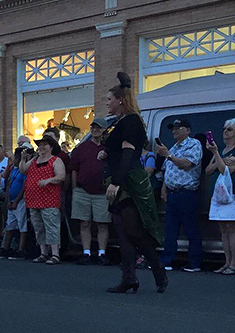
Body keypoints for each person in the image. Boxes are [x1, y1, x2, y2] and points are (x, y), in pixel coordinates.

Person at [99, 72, 166, 294]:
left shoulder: (132, 121)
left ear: (120, 100)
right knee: (123, 232)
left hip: (129, 181)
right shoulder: (120, 122)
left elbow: (129, 155)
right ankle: (129, 277)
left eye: (109, 99)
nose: (107, 103)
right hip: (119, 178)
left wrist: (116, 182)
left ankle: (158, 271)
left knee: (134, 231)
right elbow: (119, 150)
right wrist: (106, 154)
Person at [156, 116, 204, 272]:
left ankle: (194, 262)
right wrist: (164, 187)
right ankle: (166, 260)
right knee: (170, 230)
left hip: (187, 193)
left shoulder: (193, 144)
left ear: (188, 130)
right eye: (174, 129)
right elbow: (167, 169)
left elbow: (187, 164)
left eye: (179, 128)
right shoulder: (174, 147)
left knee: (191, 229)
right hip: (172, 193)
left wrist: (168, 155)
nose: (175, 131)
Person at [70, 117, 111, 264]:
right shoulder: (82, 147)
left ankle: (102, 253)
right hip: (83, 191)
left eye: (98, 128)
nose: (95, 130)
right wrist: (75, 188)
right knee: (84, 223)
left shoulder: (109, 147)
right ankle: (86, 253)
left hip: (102, 192)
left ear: (104, 130)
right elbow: (74, 168)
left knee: (103, 223)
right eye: (93, 127)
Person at [20, 136, 65, 265]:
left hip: (49, 200)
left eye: (45, 144)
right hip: (34, 200)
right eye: (40, 145)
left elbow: (61, 176)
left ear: (51, 147)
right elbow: (23, 170)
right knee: (38, 227)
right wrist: (23, 159)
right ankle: (43, 253)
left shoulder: (56, 160)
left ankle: (55, 254)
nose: (41, 147)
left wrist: (48, 180)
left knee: (51, 226)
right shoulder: (34, 160)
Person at [205, 118, 235, 274]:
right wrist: (220, 157)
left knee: (231, 228)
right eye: (224, 128)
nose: (225, 131)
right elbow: (208, 170)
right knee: (223, 229)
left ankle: (233, 264)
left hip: (232, 194)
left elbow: (226, 171)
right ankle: (226, 261)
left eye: (229, 129)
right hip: (218, 195)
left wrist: (216, 154)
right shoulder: (223, 150)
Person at [0, 145, 30, 259]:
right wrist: (8, 201)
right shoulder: (14, 170)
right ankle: (5, 248)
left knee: (22, 225)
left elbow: (24, 187)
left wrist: (16, 201)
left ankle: (21, 249)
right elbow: (9, 184)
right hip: (10, 201)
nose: (14, 161)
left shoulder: (24, 171)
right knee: (10, 225)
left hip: (19, 201)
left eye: (16, 159)